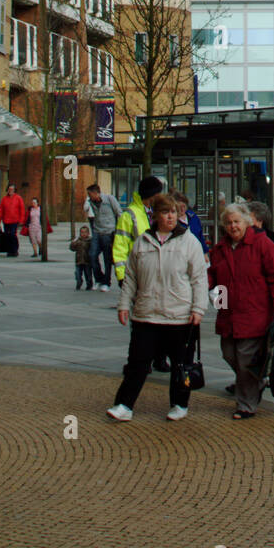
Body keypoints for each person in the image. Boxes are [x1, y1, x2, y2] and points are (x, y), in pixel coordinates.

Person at [108, 193, 208, 422]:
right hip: (146, 315)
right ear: (155, 216)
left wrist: (198, 309)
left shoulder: (189, 242)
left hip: (179, 317)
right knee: (137, 363)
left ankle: (179, 404)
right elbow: (132, 278)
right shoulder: (142, 242)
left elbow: (199, 278)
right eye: (166, 212)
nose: (171, 216)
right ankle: (124, 405)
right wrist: (124, 305)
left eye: (174, 212)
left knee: (180, 365)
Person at [208, 199, 274, 419]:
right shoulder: (220, 248)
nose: (233, 226)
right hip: (228, 313)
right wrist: (216, 302)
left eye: (236, 222)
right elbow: (213, 277)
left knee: (245, 359)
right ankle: (256, 382)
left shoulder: (262, 245)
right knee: (228, 353)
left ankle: (246, 404)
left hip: (255, 313)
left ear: (246, 223)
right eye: (228, 223)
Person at [111, 176, 162, 287]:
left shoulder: (156, 213)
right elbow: (120, 246)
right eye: (159, 194)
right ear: (152, 195)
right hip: (137, 272)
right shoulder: (129, 215)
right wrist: (121, 275)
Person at [86, 183, 122, 291]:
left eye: (90, 194)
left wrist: (118, 230)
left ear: (96, 193)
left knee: (107, 258)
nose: (88, 196)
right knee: (92, 255)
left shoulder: (109, 199)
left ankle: (106, 282)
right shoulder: (90, 202)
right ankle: (99, 278)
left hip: (109, 232)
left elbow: (119, 213)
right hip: (97, 231)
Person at [173, 191, 208, 260]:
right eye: (179, 207)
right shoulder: (173, 221)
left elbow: (200, 236)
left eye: (184, 206)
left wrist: (205, 252)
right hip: (180, 256)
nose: (182, 209)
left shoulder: (193, 217)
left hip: (197, 254)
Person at [0, 184, 26, 258]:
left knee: (12, 235)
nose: (10, 191)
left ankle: (15, 249)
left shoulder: (18, 198)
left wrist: (21, 220)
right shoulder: (4, 199)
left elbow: (22, 209)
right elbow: (1, 210)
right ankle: (10, 250)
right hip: (6, 220)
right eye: (9, 189)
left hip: (15, 220)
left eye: (12, 189)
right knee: (7, 236)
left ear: (14, 190)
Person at [69, 226, 93, 290]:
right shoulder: (78, 240)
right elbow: (72, 248)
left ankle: (89, 284)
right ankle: (79, 282)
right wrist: (73, 242)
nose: (83, 234)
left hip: (87, 261)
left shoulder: (90, 241)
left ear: (88, 233)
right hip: (78, 260)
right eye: (82, 232)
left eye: (85, 232)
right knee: (77, 273)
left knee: (88, 274)